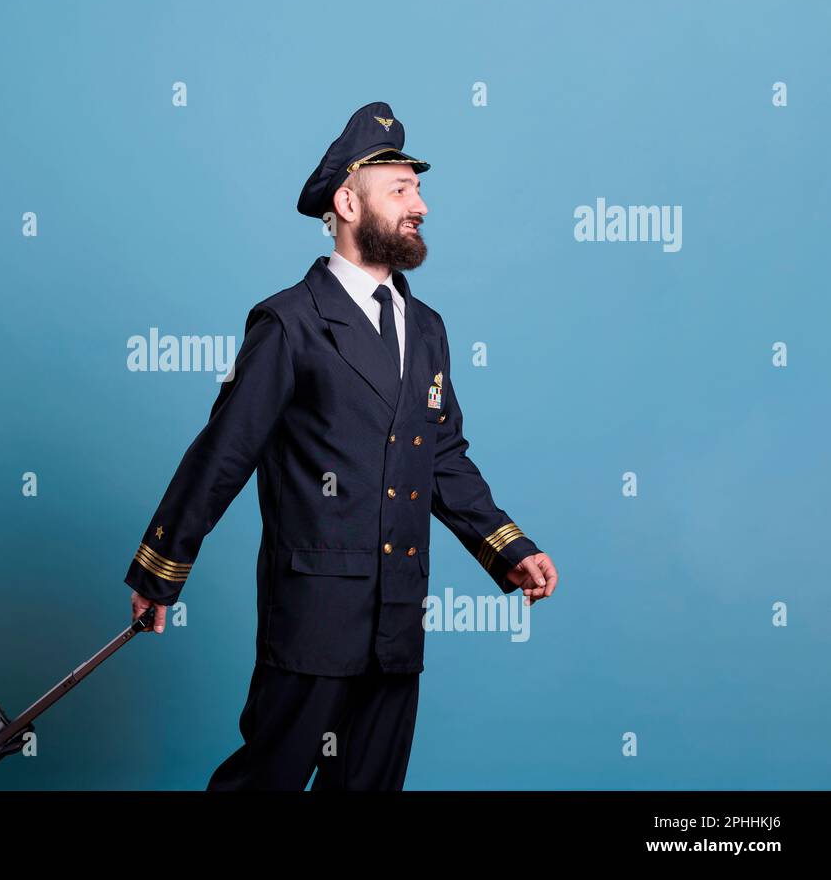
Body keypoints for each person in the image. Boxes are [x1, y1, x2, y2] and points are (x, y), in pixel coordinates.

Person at [123, 101, 559, 790]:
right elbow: (224, 452)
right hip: (315, 620)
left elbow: (441, 455)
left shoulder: (428, 327)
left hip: (397, 620)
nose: (421, 205)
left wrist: (508, 547)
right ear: (347, 201)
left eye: (418, 189)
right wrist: (160, 571)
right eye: (402, 190)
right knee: (265, 783)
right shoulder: (289, 323)